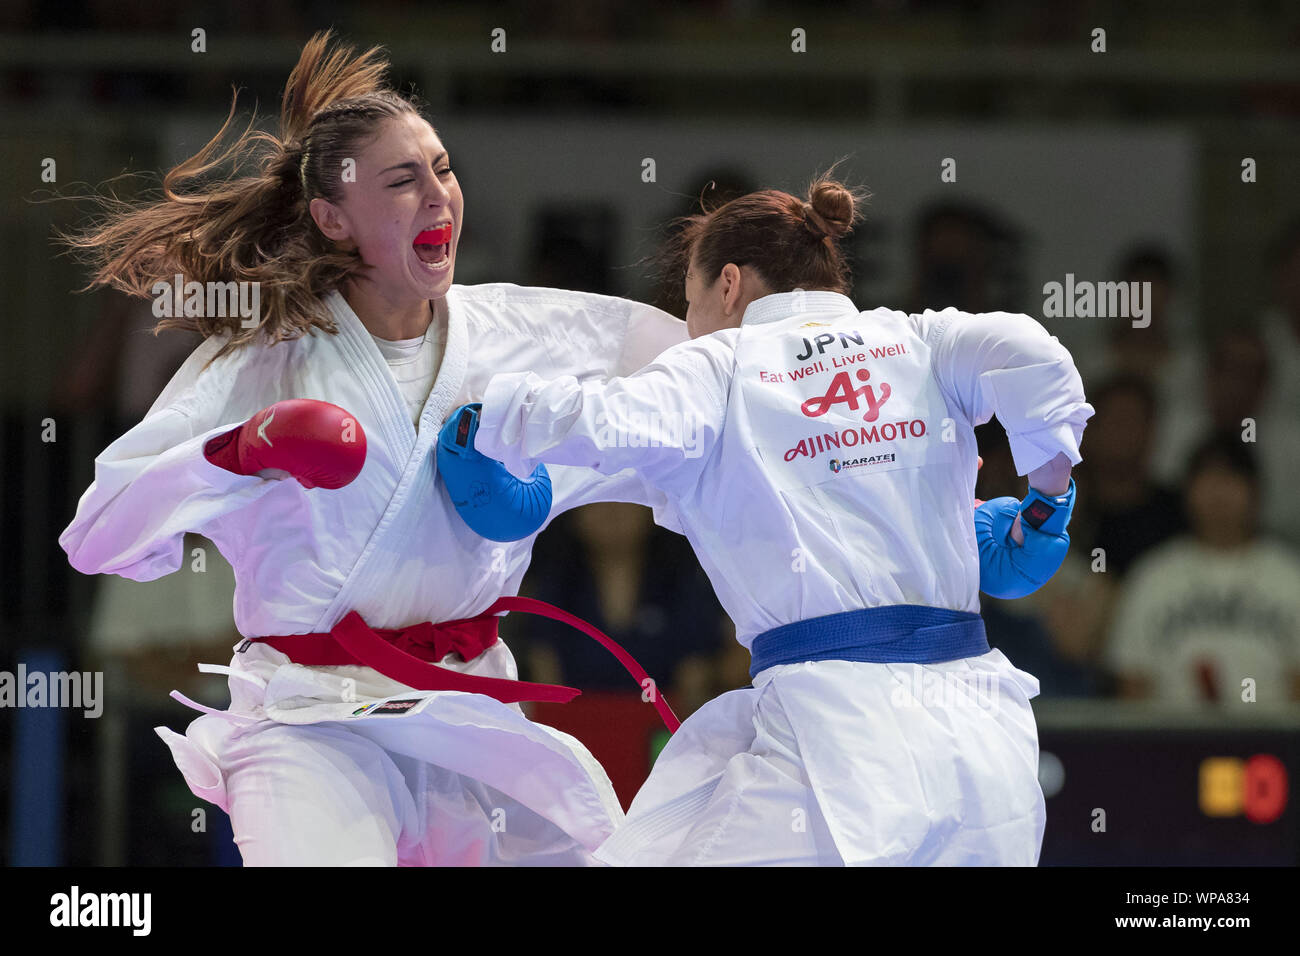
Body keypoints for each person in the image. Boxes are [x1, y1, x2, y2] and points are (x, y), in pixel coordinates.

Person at [57, 30, 689, 866]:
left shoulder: (524, 330)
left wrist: (810, 334)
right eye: (403, 180)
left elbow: (704, 381)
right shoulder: (265, 359)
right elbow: (98, 535)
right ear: (332, 217)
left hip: (471, 704)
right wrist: (237, 452)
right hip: (310, 722)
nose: (439, 197)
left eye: (444, 170)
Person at [466, 173, 1094, 865]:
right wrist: (1044, 503)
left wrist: (490, 421)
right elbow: (1037, 358)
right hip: (983, 746)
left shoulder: (722, 364)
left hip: (838, 751)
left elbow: (605, 419)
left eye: (691, 300)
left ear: (728, 284)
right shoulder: (920, 340)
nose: (689, 322)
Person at [1105, 432, 1300, 710]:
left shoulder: (1289, 575)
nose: (1219, 493)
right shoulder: (1153, 575)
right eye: (1208, 480)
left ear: (1255, 493)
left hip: (1270, 743)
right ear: (1187, 492)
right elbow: (1132, 682)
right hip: (1171, 741)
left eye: (1231, 480)